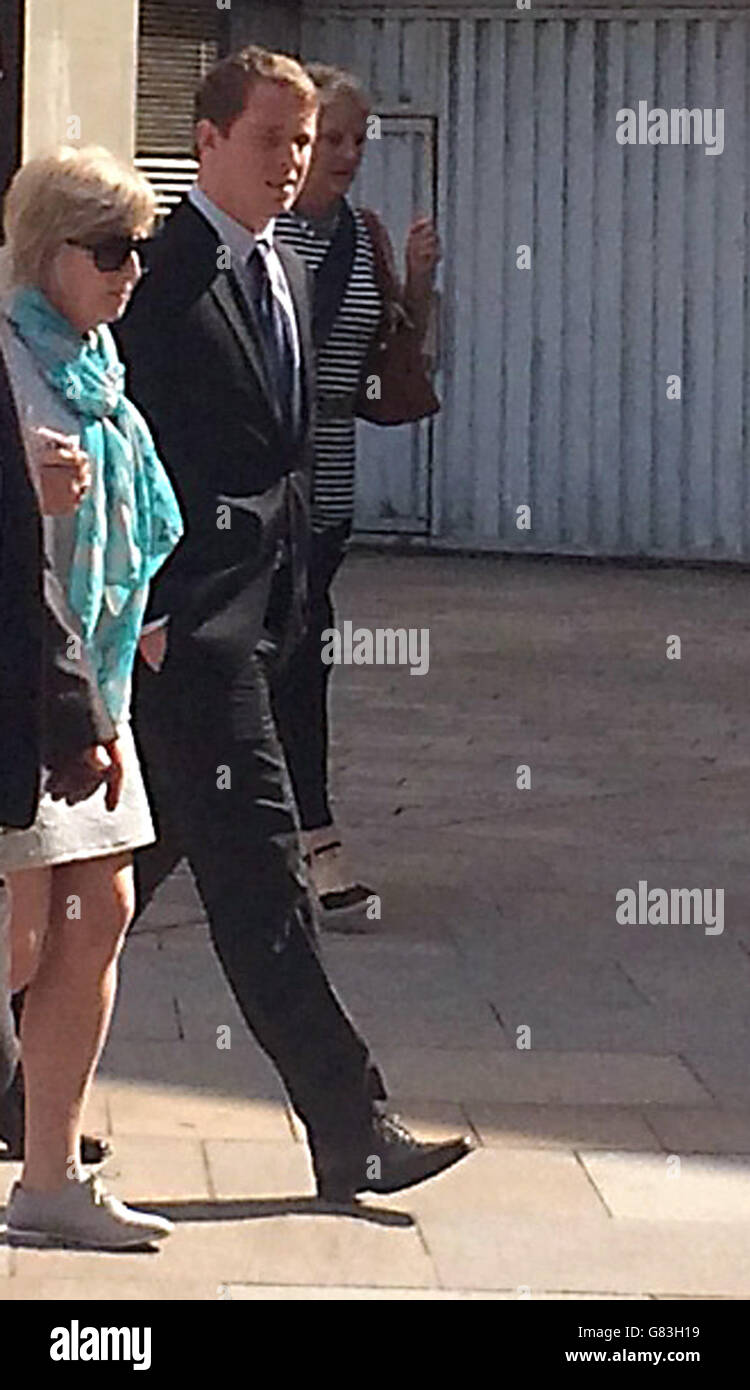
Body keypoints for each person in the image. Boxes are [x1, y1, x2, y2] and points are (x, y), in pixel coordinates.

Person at [118, 44, 470, 1202]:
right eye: (270, 139)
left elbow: (286, 447)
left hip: (269, 615)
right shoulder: (161, 274)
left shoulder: (284, 264)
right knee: (265, 873)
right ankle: (351, 1123)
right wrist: (154, 607)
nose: (291, 161)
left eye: (304, 142)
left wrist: (297, 600)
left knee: (132, 865)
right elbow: (125, 441)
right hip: (190, 634)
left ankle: (14, 1062)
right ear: (207, 141)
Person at [0, 145, 182, 1248]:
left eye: (138, 249)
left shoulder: (96, 365)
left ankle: (50, 1178)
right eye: (110, 249)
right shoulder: (7, 359)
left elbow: (134, 522)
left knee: (99, 911)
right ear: (47, 249)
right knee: (17, 940)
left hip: (94, 679)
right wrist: (25, 492)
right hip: (23, 683)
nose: (131, 272)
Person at [273, 62, 440, 920]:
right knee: (289, 663)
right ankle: (315, 841)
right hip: (259, 489)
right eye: (329, 138)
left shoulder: (362, 236)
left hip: (329, 489)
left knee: (299, 658)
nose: (344, 154)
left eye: (356, 140)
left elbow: (397, 348)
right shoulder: (261, 235)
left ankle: (271, 831)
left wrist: (417, 279)